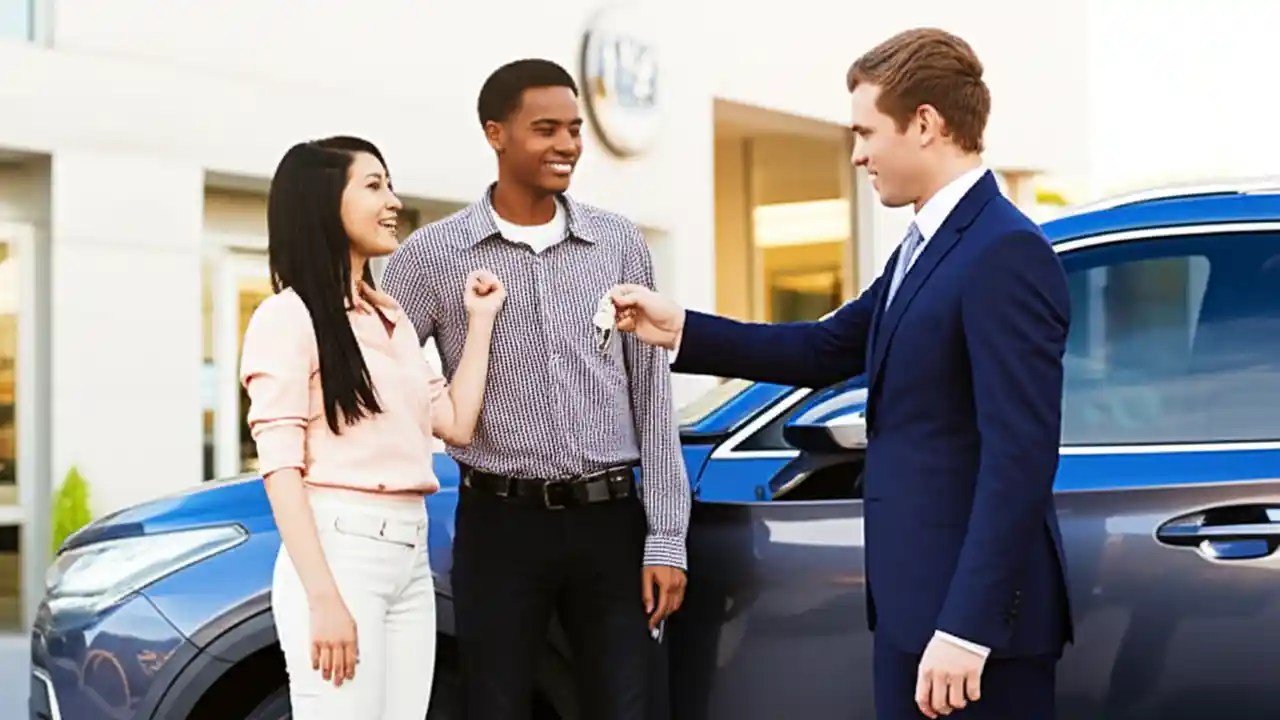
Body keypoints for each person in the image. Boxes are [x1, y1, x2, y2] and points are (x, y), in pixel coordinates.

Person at [611, 28, 1073, 720]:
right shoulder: (928, 247)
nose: (857, 154)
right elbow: (824, 349)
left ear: (925, 124)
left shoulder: (1003, 251)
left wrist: (968, 629)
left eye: (865, 132)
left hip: (969, 639)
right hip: (916, 615)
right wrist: (678, 327)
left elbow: (1020, 457)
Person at [381, 58, 689, 719]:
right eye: (546, 129)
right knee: (494, 706)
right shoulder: (430, 257)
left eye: (574, 129)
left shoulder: (618, 244)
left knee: (630, 707)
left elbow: (652, 397)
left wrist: (666, 537)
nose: (568, 145)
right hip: (499, 527)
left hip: (611, 523)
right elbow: (381, 381)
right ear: (495, 134)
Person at [240, 136, 506, 720]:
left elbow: (456, 423)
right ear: (323, 202)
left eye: (391, 185)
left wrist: (481, 320)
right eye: (374, 185)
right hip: (342, 553)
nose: (394, 202)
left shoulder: (390, 317)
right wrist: (323, 598)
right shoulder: (287, 317)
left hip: (409, 557)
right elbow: (281, 469)